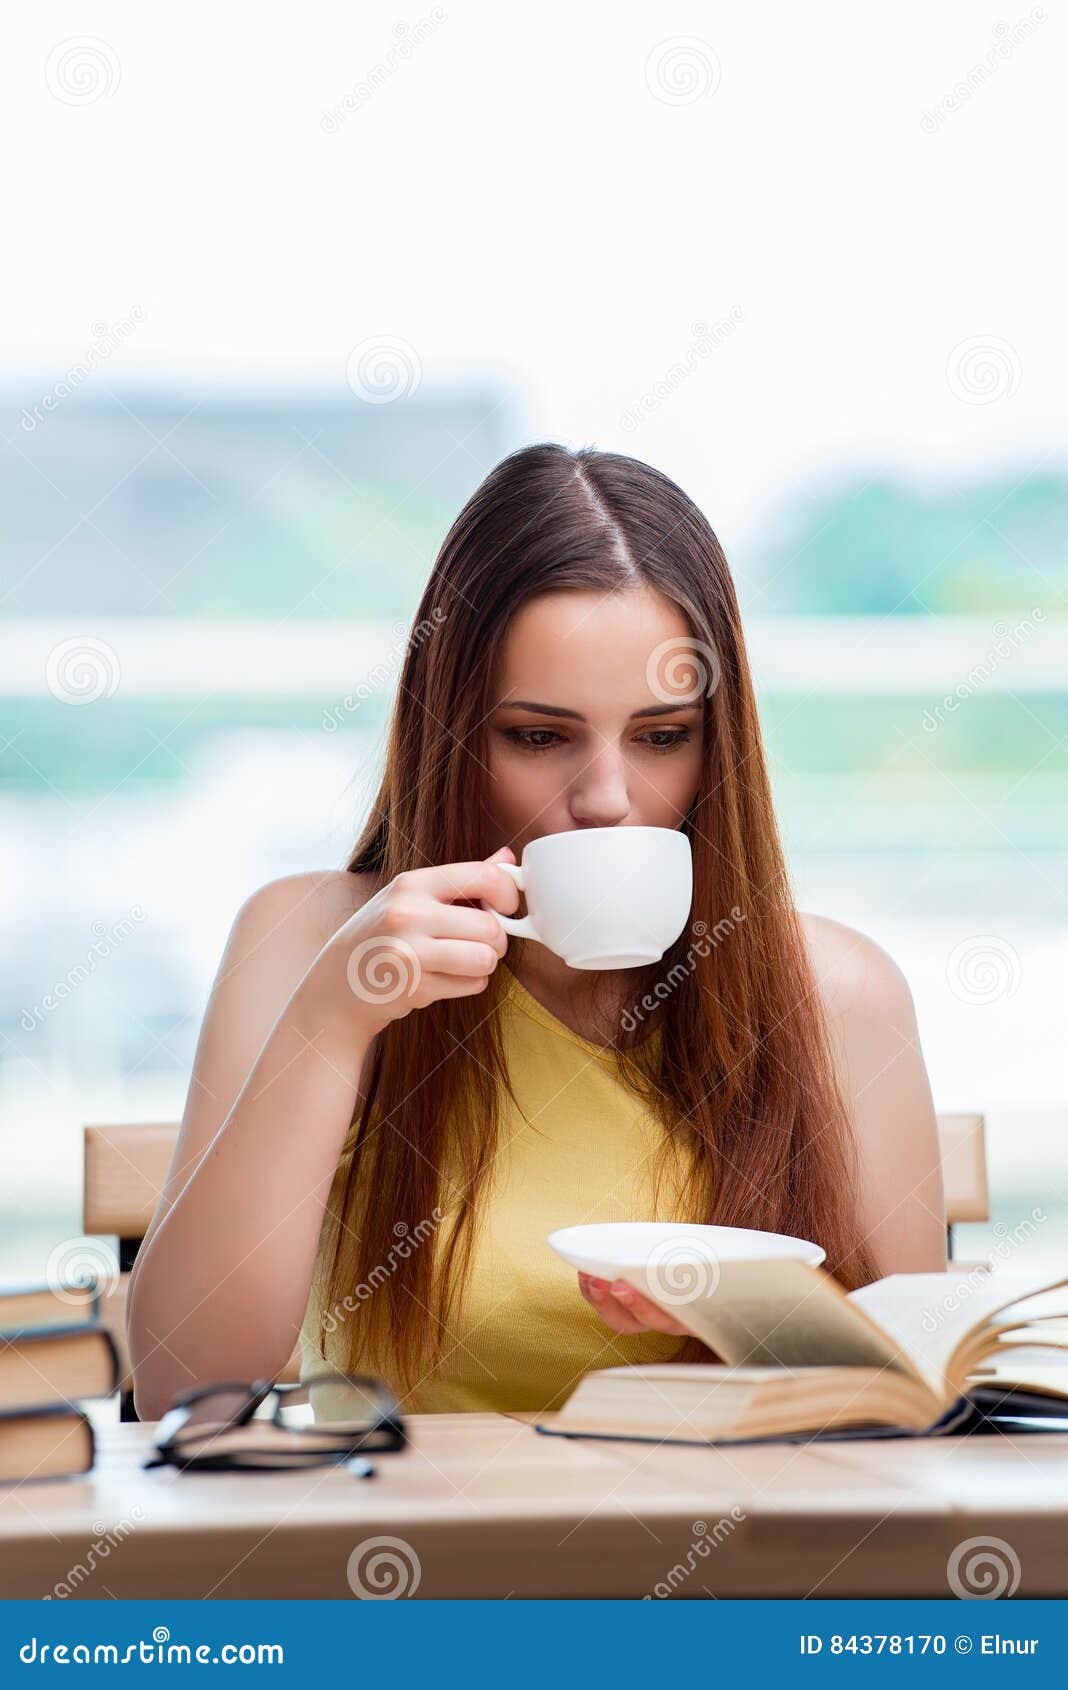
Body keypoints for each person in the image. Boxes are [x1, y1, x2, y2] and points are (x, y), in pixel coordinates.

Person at [126, 443, 946, 1422]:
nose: (607, 800)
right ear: (451, 737)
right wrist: (329, 1025)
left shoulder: (836, 992)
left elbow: (926, 1406)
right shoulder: (309, 940)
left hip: (738, 1562)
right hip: (398, 1554)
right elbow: (186, 1384)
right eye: (539, 736)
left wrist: (753, 1325)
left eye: (661, 736)